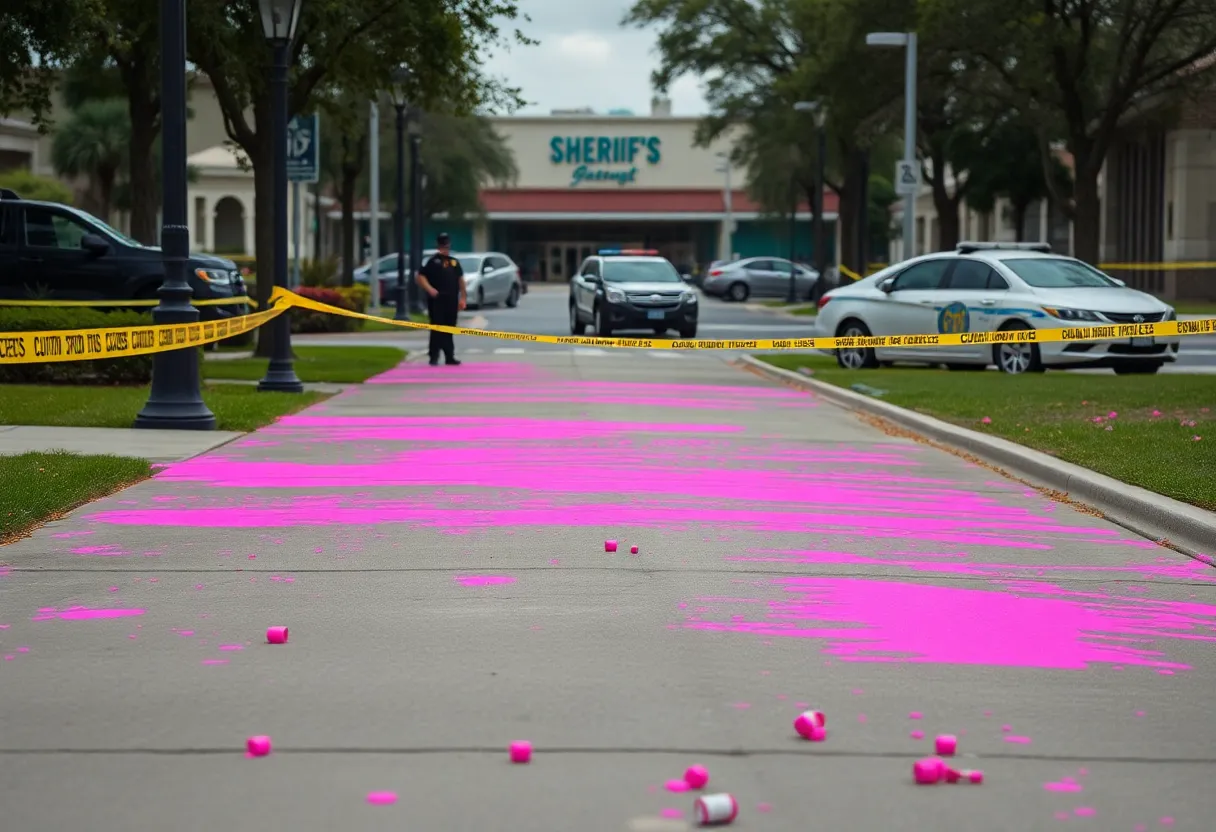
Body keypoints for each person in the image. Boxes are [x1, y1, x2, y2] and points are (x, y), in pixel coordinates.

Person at [416, 232, 466, 366]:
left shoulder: (454, 262)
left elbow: (461, 280)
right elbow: (421, 276)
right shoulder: (432, 261)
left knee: (449, 328)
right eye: (443, 245)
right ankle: (434, 356)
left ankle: (449, 356)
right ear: (438, 246)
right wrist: (429, 289)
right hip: (437, 300)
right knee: (437, 327)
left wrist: (463, 298)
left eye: (447, 245)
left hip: (451, 300)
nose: (445, 248)